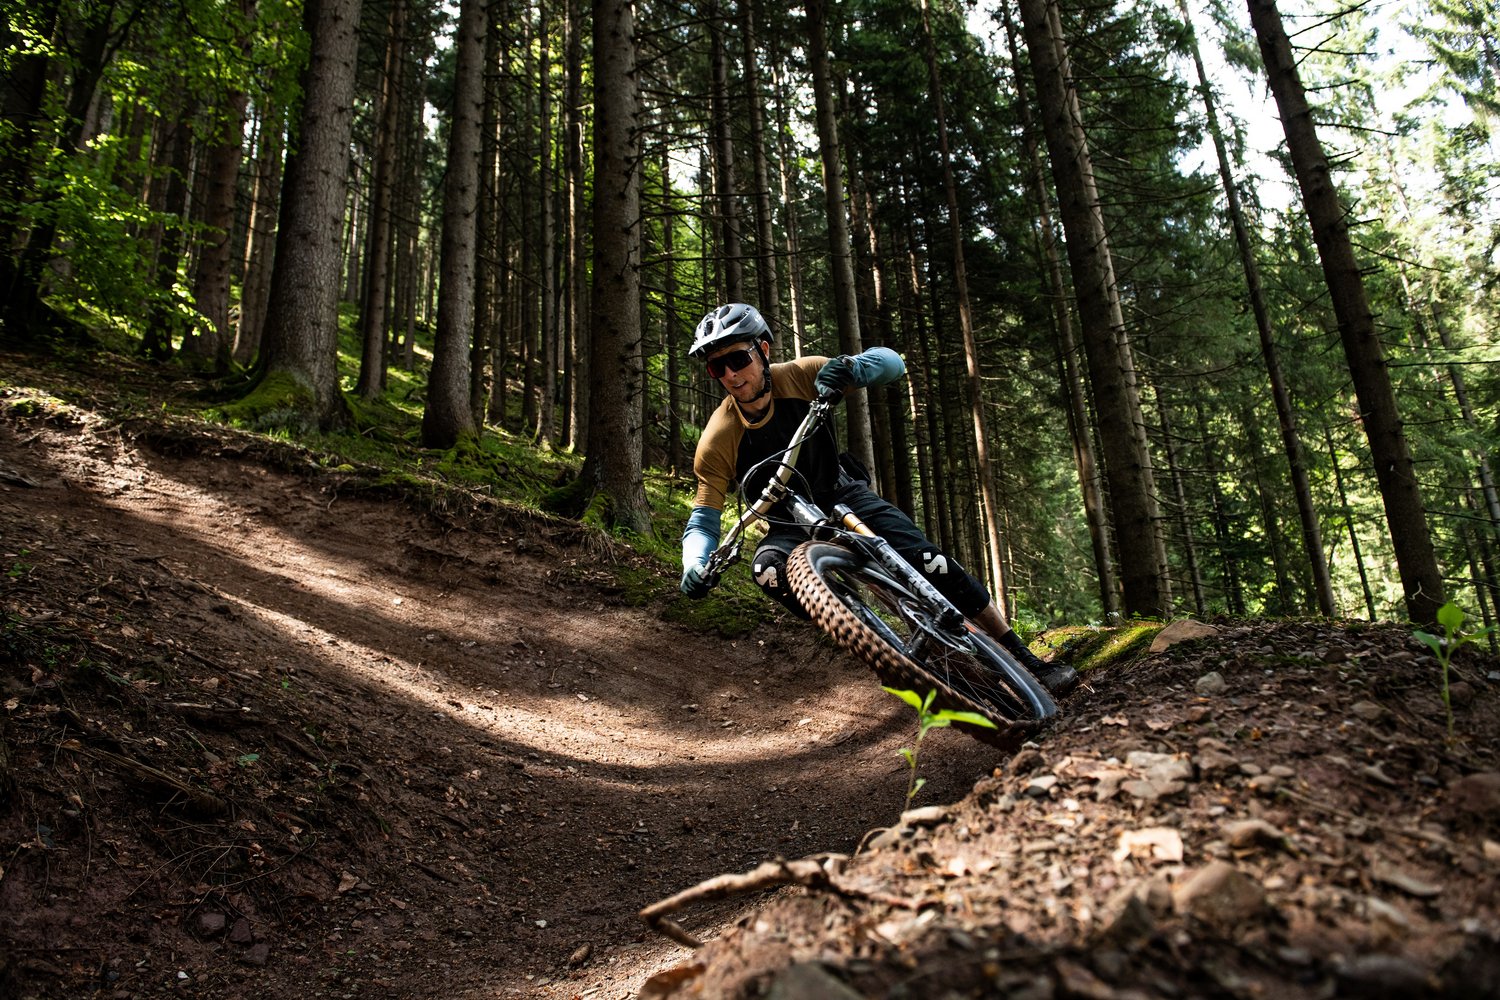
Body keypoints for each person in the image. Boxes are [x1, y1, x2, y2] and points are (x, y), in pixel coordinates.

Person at [677, 302, 1078, 696]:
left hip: (840, 493)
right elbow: (704, 516)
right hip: (787, 524)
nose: (730, 375)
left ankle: (1028, 660)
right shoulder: (718, 437)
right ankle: (873, 639)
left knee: (931, 562)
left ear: (763, 350)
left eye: (738, 359)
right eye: (717, 367)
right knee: (766, 570)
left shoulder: (800, 375)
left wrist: (851, 369)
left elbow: (892, 363)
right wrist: (694, 561)